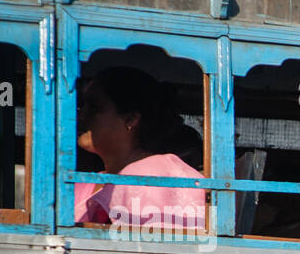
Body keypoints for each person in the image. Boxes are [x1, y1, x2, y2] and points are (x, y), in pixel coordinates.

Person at [74, 66, 206, 232]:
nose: (81, 116)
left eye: (94, 107)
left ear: (131, 119)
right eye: (82, 107)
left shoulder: (157, 176)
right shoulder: (87, 183)